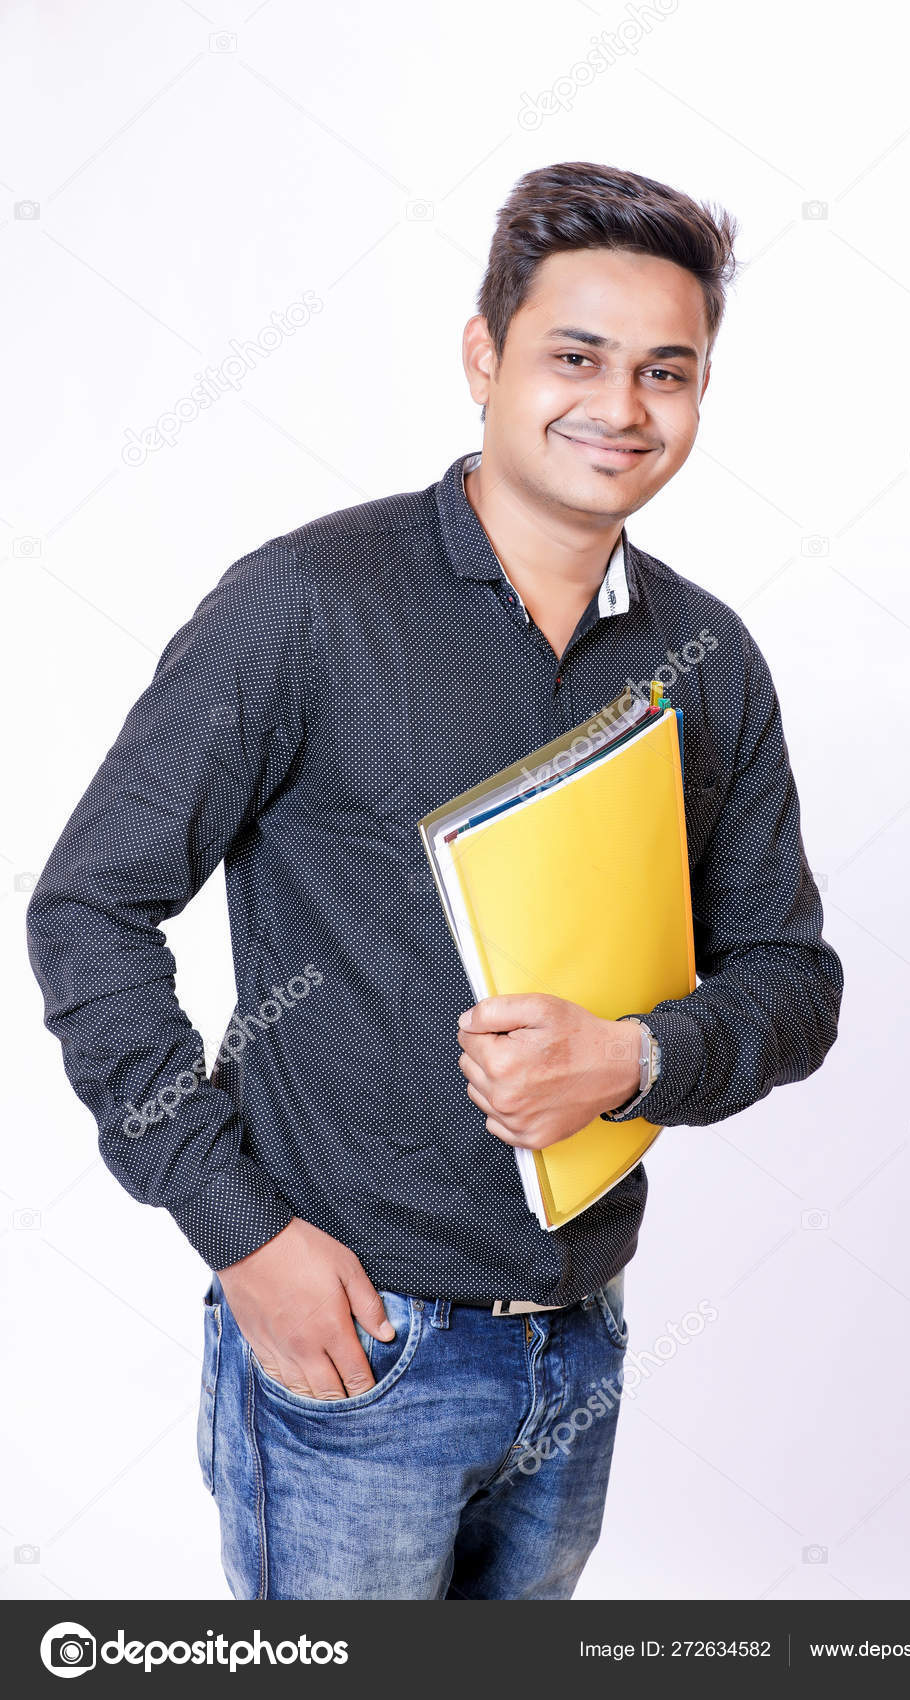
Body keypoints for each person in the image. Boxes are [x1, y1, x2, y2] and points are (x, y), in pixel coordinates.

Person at [25, 159, 844, 1601]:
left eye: (670, 370)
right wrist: (240, 1231)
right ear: (484, 356)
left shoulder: (706, 659)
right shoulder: (309, 602)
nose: (623, 406)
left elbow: (793, 980)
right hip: (353, 1343)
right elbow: (87, 909)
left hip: (581, 1339)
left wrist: (635, 1056)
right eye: (575, 357)